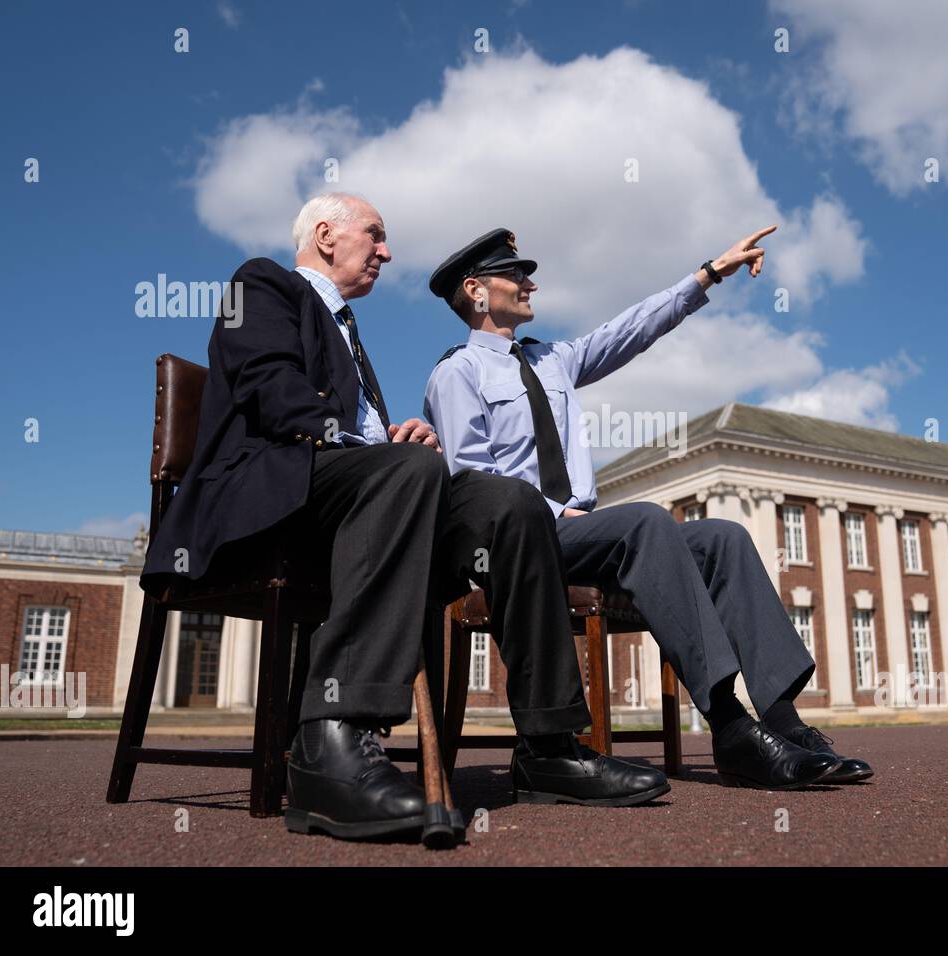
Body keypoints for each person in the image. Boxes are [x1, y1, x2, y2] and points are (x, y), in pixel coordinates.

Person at [141, 195, 669, 840]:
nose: (387, 252)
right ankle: (331, 742)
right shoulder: (260, 283)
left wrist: (397, 437)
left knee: (510, 502)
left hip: (354, 492)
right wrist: (381, 450)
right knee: (406, 471)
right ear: (327, 235)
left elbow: (357, 445)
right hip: (266, 496)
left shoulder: (353, 334)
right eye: (376, 235)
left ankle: (549, 745)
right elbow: (269, 390)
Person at [423, 227, 873, 789]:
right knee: (643, 520)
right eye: (515, 274)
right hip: (521, 546)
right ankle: (730, 726)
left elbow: (630, 331)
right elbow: (474, 481)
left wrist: (708, 274)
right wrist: (556, 513)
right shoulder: (456, 374)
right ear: (476, 289)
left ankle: (781, 721)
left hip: (580, 538)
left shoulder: (553, 360)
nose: (529, 282)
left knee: (722, 538)